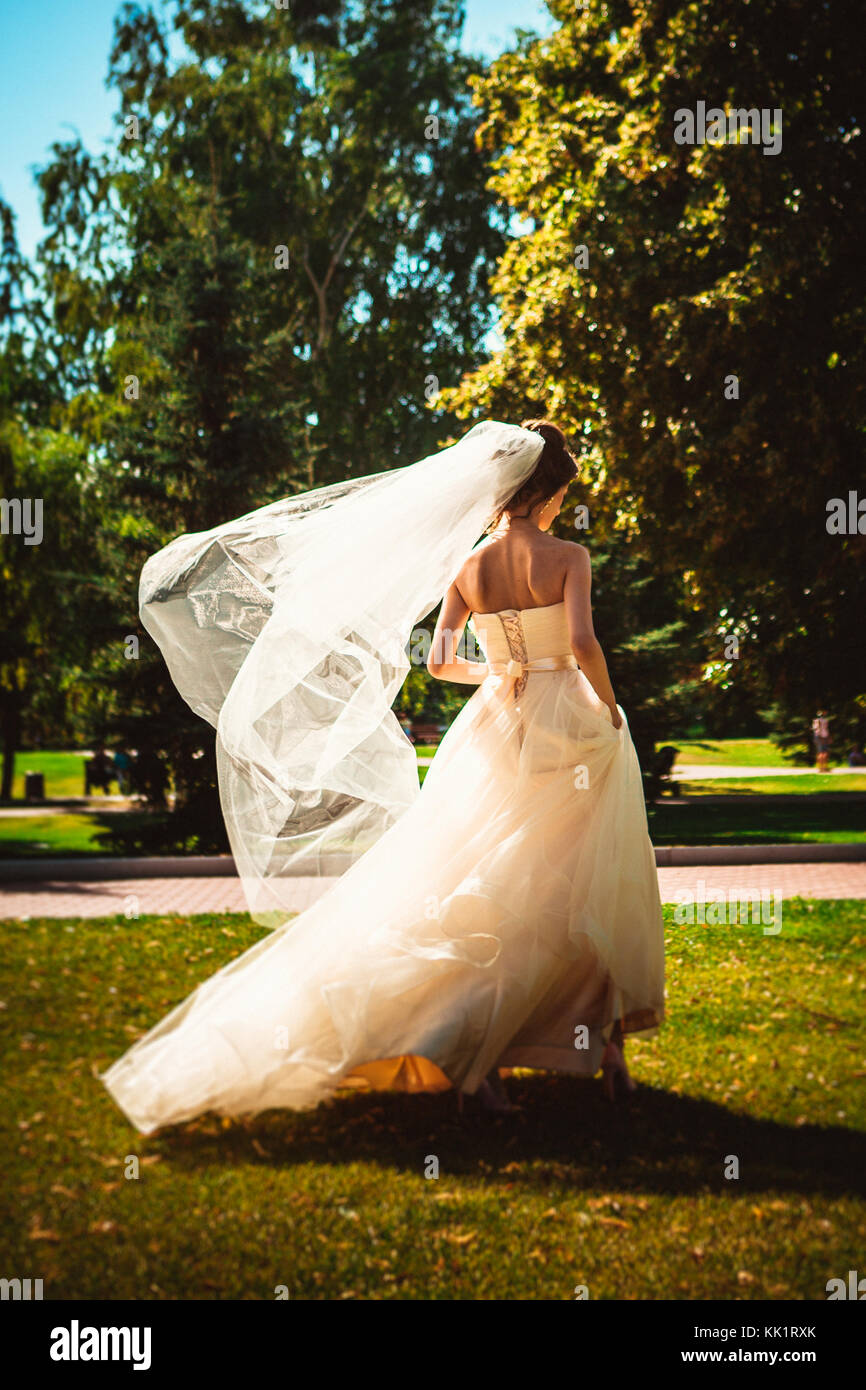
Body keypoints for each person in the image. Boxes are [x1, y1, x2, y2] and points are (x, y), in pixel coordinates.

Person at [102, 419, 664, 1132]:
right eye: (559, 498)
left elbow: (439, 662)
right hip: (569, 722)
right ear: (548, 493)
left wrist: (499, 673)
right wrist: (609, 709)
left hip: (494, 722)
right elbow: (581, 642)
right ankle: (602, 1052)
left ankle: (478, 1057)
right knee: (582, 879)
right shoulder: (570, 555)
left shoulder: (469, 566)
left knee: (483, 881)